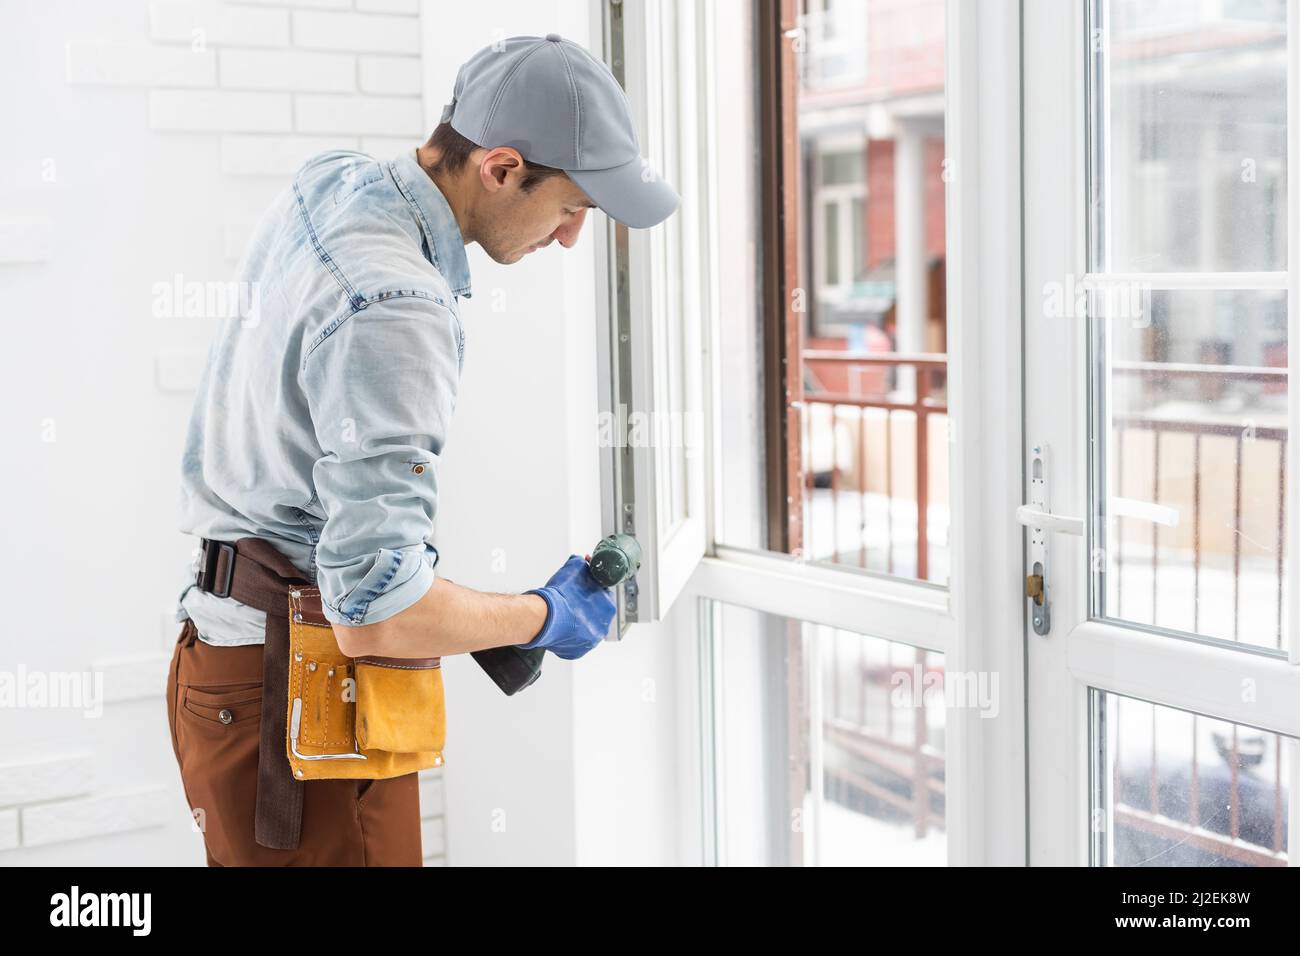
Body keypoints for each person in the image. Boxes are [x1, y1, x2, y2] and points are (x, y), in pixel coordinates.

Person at [165, 33, 680, 866]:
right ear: (503, 168)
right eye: (572, 207)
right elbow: (379, 615)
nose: (571, 237)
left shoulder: (333, 181)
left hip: (228, 660)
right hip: (294, 701)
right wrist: (543, 615)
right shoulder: (398, 303)